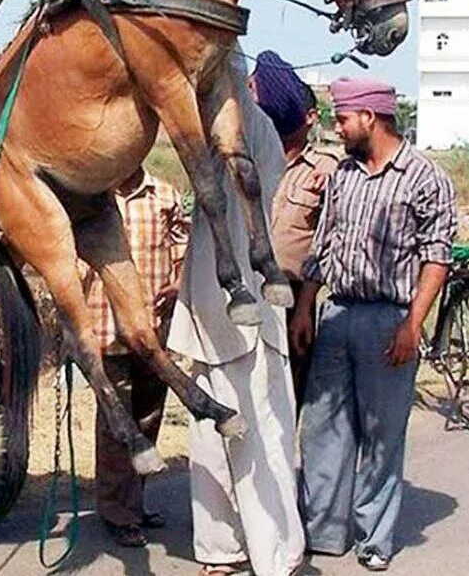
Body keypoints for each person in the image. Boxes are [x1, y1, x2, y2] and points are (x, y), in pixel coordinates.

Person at [292, 77, 457, 572]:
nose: (337, 127)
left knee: (382, 433)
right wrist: (305, 307)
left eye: (343, 119)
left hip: (389, 320)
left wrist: (413, 324)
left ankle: (374, 538)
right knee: (322, 430)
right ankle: (323, 531)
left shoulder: (425, 177)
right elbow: (324, 246)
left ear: (371, 117)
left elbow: (436, 258)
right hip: (337, 314)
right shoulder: (342, 174)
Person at [168, 49, 306, 576]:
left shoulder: (253, 128)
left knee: (260, 437)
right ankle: (221, 551)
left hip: (245, 310)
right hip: (214, 312)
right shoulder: (223, 131)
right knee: (209, 437)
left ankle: (274, 557)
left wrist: (212, 39)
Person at [82, 165, 189, 548]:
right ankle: (117, 512)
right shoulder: (89, 195)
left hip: (152, 332)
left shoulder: (164, 195)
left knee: (148, 418)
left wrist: (178, 280)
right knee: (116, 427)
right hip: (104, 327)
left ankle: (135, 502)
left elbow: (182, 244)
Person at [250, 51, 339, 409]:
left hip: (292, 296)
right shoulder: (253, 161)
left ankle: (283, 465)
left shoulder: (325, 170)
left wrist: (304, 308)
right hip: (248, 290)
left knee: (286, 395)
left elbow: (324, 246)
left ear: (311, 117)